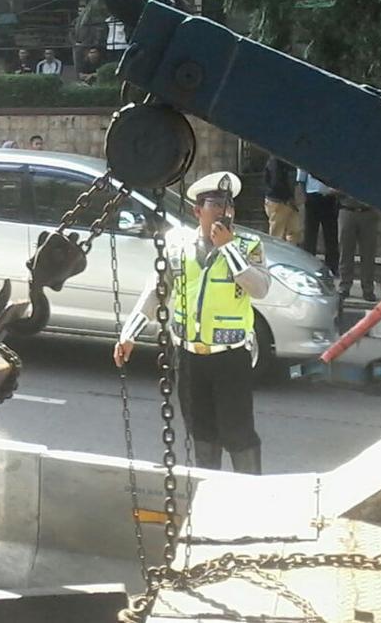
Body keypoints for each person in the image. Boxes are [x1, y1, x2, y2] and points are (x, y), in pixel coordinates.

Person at [112, 171, 269, 474]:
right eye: (216, 204)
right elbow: (155, 292)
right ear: (198, 211)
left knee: (238, 434)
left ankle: (250, 499)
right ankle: (209, 492)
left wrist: (228, 248)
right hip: (188, 357)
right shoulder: (177, 244)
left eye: (228, 205)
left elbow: (260, 288)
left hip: (230, 357)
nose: (225, 212)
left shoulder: (248, 245)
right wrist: (129, 334)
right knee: (202, 433)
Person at [337, 193, 379, 301]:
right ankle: (344, 286)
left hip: (368, 211)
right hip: (347, 210)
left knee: (368, 253)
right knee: (345, 251)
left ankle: (368, 289)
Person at [297, 167, 339, 274]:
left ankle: (332, 267)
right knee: (310, 235)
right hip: (312, 196)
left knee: (331, 234)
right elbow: (301, 179)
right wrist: (305, 197)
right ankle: (308, 266)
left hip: (329, 196)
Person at [262, 155, 302, 245]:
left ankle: (292, 254)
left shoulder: (287, 160)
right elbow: (275, 182)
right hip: (278, 200)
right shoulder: (275, 160)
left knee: (294, 231)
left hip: (288, 200)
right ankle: (274, 256)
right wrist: (288, 197)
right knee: (277, 234)